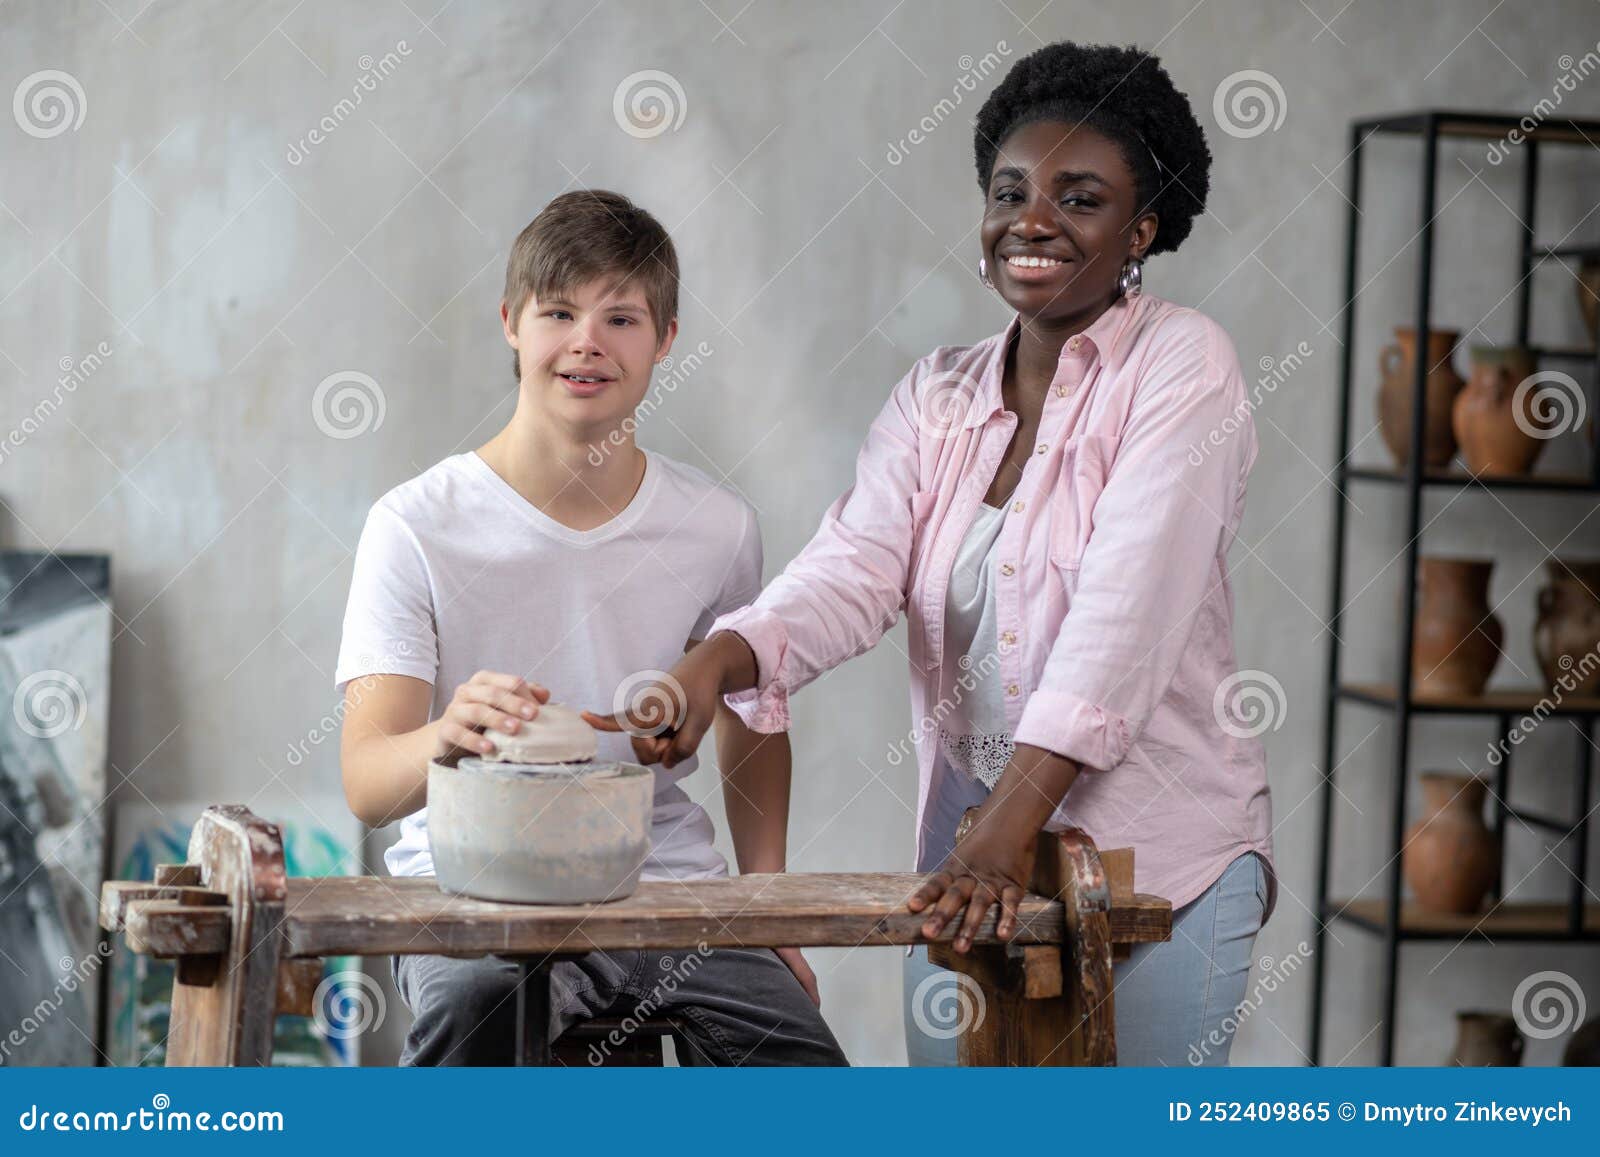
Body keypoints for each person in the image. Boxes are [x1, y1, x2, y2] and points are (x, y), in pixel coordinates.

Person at [600, 42, 1276, 1067]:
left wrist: (1004, 832)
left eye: (1079, 197)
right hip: (973, 869)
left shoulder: (1182, 366)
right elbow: (853, 566)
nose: (1032, 219)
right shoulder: (939, 395)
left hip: (1158, 870)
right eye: (1010, 190)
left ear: (1141, 230)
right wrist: (717, 663)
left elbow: (1122, 624)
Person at [335, 189, 847, 1066]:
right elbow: (367, 785)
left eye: (622, 317)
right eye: (560, 312)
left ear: (667, 340)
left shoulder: (719, 525)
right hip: (478, 892)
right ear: (510, 323)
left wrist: (769, 912)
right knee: (480, 1011)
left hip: (673, 890)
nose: (587, 342)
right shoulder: (415, 524)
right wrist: (448, 738)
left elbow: (754, 722)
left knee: (809, 1075)